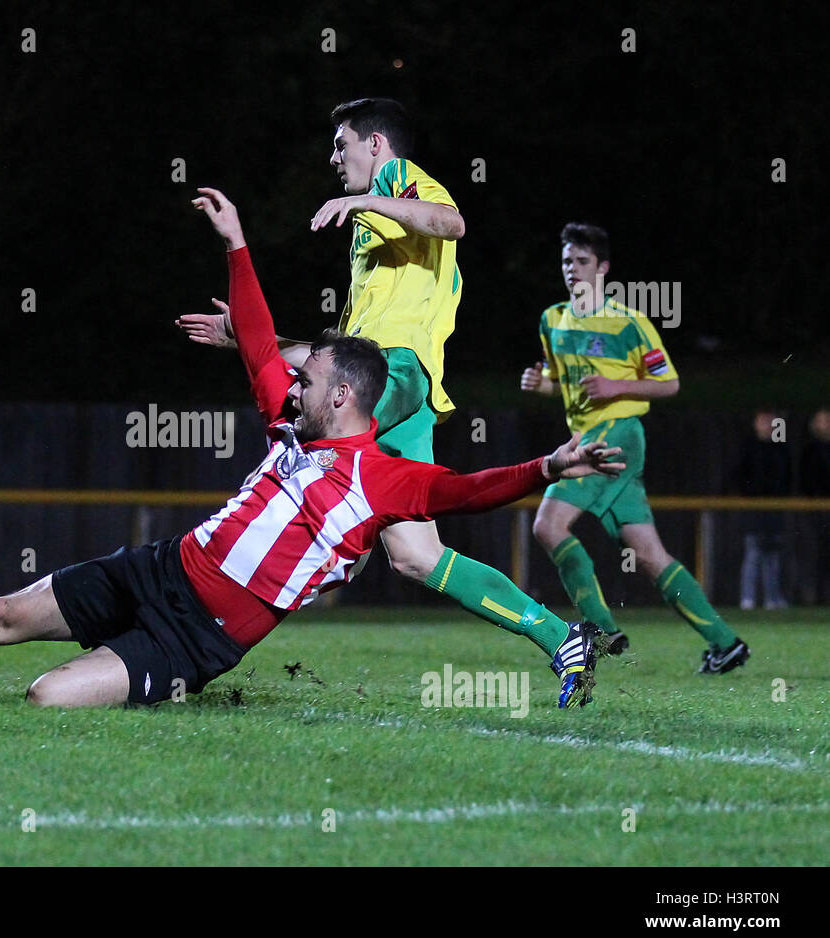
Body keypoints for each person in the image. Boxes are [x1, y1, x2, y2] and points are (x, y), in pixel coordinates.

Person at [0, 189, 623, 709]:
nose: (296, 377)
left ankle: (558, 634)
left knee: (47, 695)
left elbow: (470, 491)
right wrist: (239, 243)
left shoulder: (386, 478)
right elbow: (254, 343)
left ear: (345, 395)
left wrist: (549, 467)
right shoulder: (293, 419)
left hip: (199, 639)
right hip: (160, 569)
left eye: (311, 371)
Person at [178, 97, 585, 666]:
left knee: (303, 448)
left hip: (396, 375)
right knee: (418, 557)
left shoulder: (396, 179)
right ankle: (561, 637)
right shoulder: (374, 239)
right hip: (396, 390)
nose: (333, 156)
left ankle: (201, 595)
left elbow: (452, 222)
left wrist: (364, 198)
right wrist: (243, 337)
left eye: (342, 143)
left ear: (376, 144)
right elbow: (328, 363)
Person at [520, 222, 749, 674]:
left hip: (617, 434)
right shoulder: (552, 320)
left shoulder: (629, 321)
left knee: (548, 526)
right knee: (649, 555)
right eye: (567, 261)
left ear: (603, 268)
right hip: (591, 436)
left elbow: (670, 383)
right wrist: (541, 385)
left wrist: (615, 384)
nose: (572, 270)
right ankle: (725, 642)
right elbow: (562, 385)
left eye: (582, 262)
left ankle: (599, 629)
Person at [734, 410, 791, 610]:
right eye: (763, 421)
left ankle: (772, 599)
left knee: (773, 556)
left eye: (770, 421)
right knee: (753, 553)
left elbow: (786, 475)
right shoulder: (748, 447)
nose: (767, 425)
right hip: (753, 508)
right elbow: (740, 475)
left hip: (774, 508)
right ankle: (747, 599)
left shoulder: (780, 447)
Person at [798, 407, 830, 603]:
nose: (824, 425)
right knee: (815, 554)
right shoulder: (810, 449)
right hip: (815, 508)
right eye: (821, 421)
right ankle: (815, 596)